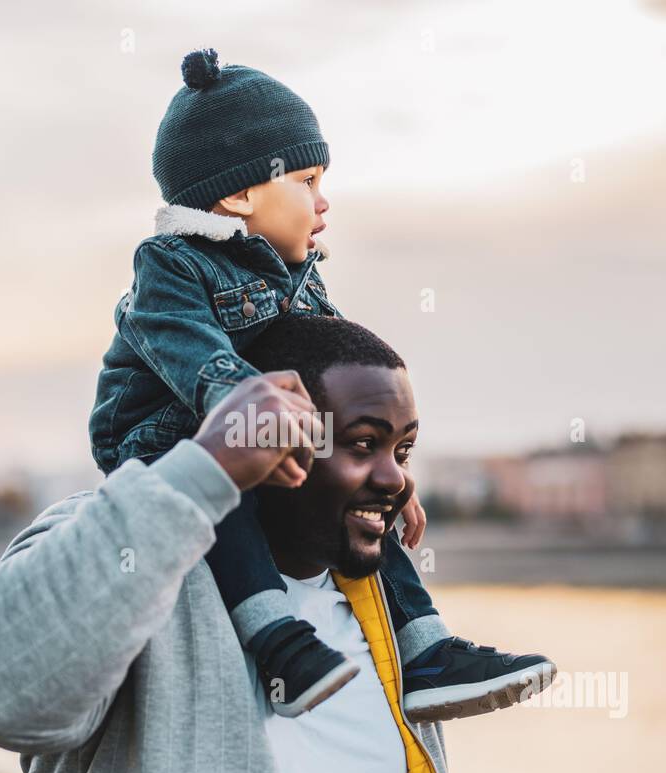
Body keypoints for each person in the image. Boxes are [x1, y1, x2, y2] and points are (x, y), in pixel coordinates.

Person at [88, 47, 555, 721]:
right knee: (233, 494)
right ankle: (278, 645)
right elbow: (187, 349)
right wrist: (248, 414)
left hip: (270, 427)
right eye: (307, 181)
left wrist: (381, 464)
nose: (324, 201)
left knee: (357, 495)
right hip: (163, 435)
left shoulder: (301, 272)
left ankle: (424, 651)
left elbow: (341, 360)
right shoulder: (170, 262)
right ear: (242, 191)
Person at [0, 318, 493, 773]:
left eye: (402, 451)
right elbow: (0, 689)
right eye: (363, 443)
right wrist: (207, 469)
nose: (395, 479)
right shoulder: (132, 542)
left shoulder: (385, 621)